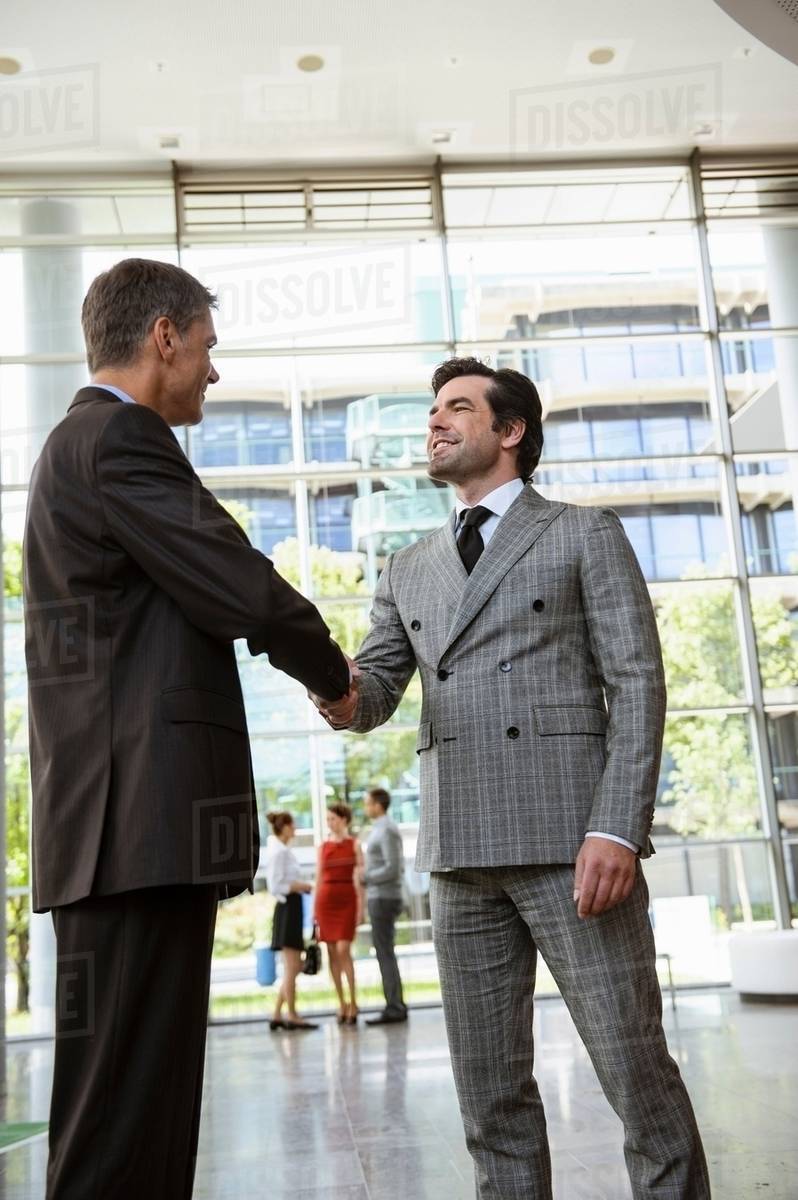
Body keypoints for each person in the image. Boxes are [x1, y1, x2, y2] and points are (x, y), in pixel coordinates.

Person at [313, 357, 710, 1199]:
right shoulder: (409, 565)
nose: (435, 423)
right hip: (459, 851)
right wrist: (322, 674)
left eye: (457, 408)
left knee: (636, 1074)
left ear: (511, 430)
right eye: (431, 412)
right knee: (490, 1101)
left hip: (572, 847)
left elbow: (637, 681)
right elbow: (374, 696)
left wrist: (614, 828)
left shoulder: (581, 531)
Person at [24, 258, 355, 1200]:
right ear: (162, 335)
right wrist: (334, 678)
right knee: (124, 1123)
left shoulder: (77, 446)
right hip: (137, 831)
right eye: (206, 347)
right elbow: (233, 579)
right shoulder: (118, 440)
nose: (213, 372)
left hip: (118, 834)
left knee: (135, 1110)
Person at [264, 811, 318, 1031]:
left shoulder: (283, 850)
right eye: (292, 824)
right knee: (292, 965)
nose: (295, 828)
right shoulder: (279, 852)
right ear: (284, 827)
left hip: (292, 908)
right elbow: (275, 886)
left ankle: (278, 1013)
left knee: (292, 966)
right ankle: (292, 1014)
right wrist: (301, 886)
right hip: (287, 908)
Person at [360, 787, 408, 1025]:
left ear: (378, 804)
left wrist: (366, 877)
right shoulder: (379, 828)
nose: (365, 807)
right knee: (384, 952)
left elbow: (393, 867)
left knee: (385, 952)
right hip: (379, 896)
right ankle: (395, 1004)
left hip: (384, 897)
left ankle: (395, 1006)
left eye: (368, 803)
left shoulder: (387, 829)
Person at [313, 803, 364, 1025]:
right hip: (326, 900)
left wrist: (362, 909)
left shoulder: (355, 845)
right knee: (332, 952)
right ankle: (341, 1002)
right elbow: (318, 879)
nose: (330, 823)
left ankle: (354, 1001)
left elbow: (361, 881)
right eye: (328, 819)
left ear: (344, 820)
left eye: (333, 818)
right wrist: (314, 913)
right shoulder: (322, 847)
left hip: (347, 899)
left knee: (344, 949)